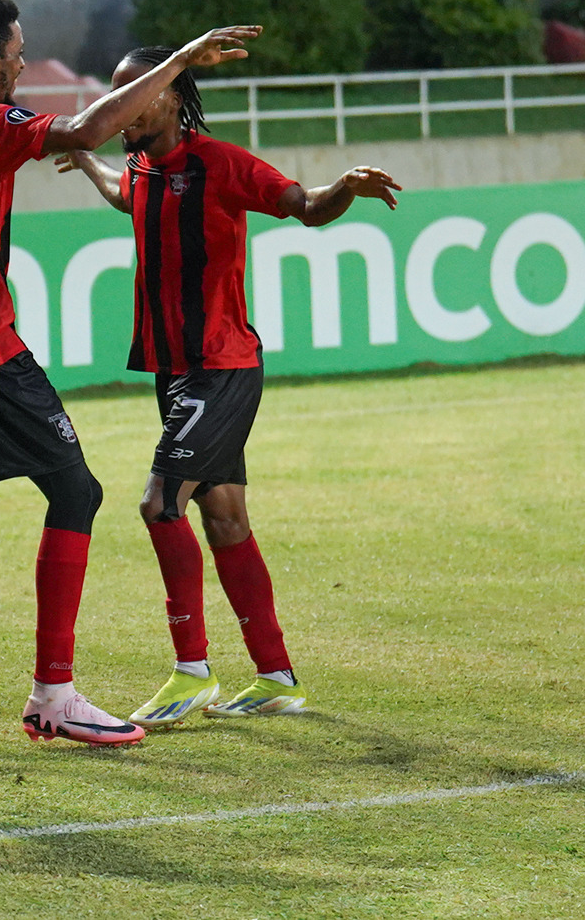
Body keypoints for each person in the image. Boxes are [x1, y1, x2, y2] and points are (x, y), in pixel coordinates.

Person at [0, 0, 259, 746]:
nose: (24, 60)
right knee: (76, 488)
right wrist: (181, 59)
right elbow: (87, 124)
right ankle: (53, 690)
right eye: (17, 49)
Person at [56, 45, 400, 728]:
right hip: (176, 370)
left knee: (160, 503)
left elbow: (302, 206)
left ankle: (191, 672)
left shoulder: (221, 163)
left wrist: (342, 190)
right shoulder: (142, 166)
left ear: (173, 98)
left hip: (221, 366)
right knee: (225, 518)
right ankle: (276, 677)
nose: (121, 108)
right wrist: (91, 162)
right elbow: (126, 195)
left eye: (136, 92)